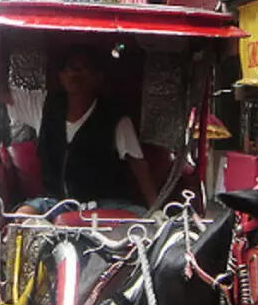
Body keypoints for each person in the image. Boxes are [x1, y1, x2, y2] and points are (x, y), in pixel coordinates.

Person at [13, 46, 157, 215]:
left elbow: (138, 164)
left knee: (141, 220)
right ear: (61, 76)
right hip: (56, 201)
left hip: (104, 203)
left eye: (84, 69)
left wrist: (156, 209)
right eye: (70, 68)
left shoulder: (116, 119)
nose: (75, 75)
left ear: (98, 77)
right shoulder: (43, 107)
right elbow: (1, 91)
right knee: (23, 215)